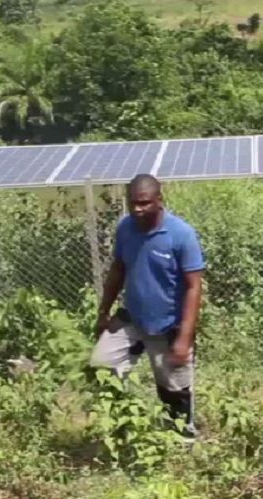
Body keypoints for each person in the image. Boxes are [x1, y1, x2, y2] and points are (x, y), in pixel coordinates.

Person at [89, 173, 205, 442]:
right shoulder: (125, 228)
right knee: (102, 366)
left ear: (159, 200)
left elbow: (193, 287)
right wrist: (103, 311)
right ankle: (122, 427)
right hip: (132, 318)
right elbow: (118, 269)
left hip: (168, 326)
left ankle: (182, 440)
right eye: (133, 204)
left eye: (144, 203)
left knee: (173, 388)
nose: (138, 209)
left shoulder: (180, 234)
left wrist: (185, 338)